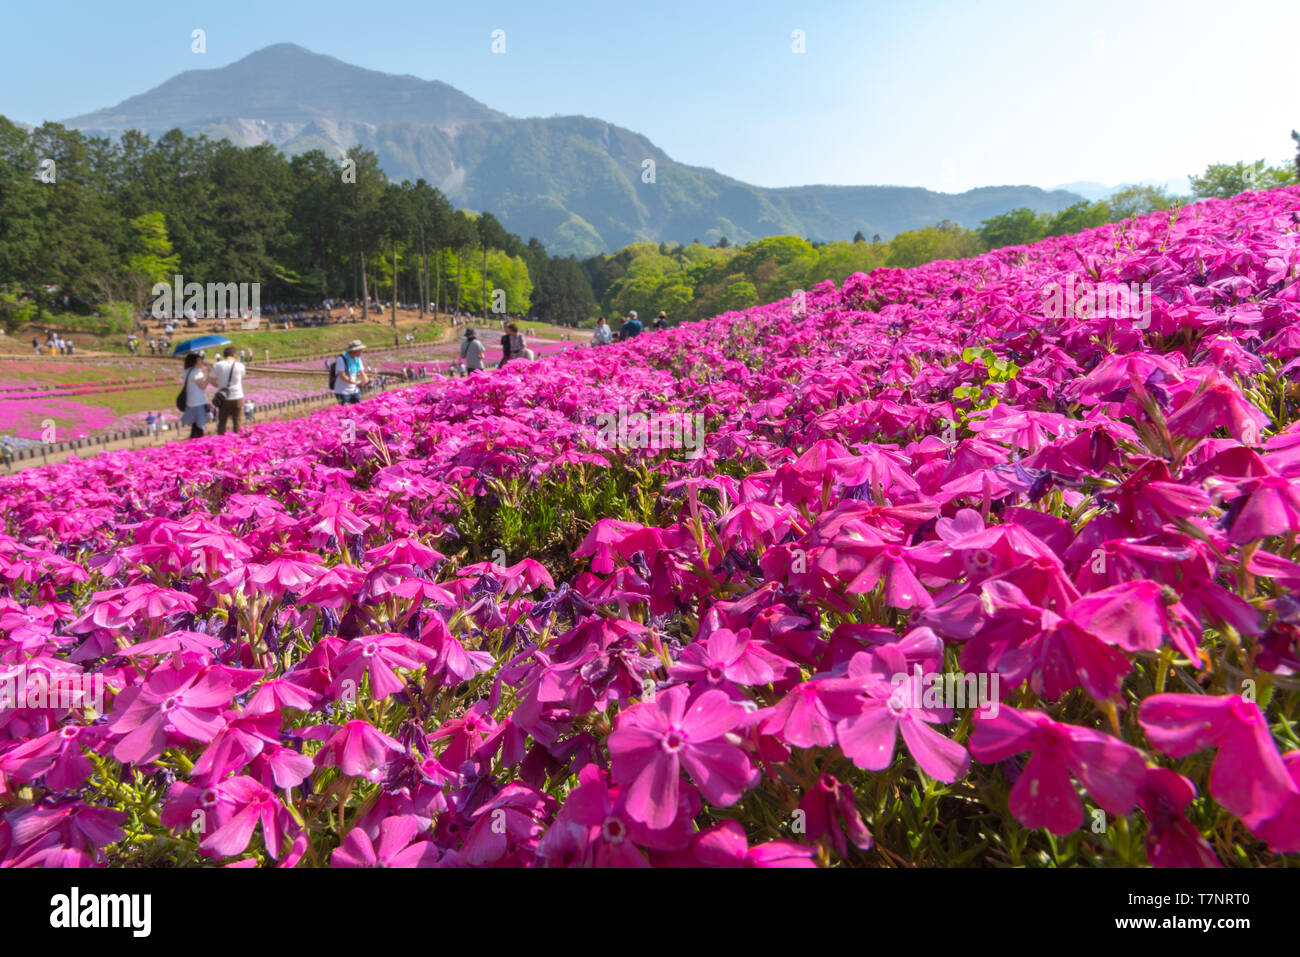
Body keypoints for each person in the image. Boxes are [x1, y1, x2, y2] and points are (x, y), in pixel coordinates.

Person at [210, 346, 246, 435]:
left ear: (224, 355)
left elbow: (211, 379)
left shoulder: (217, 365)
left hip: (223, 397)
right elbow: (242, 377)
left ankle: (221, 440)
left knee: (222, 422)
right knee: (237, 421)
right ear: (234, 354)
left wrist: (219, 385)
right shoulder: (240, 365)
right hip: (237, 396)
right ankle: (238, 439)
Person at [180, 352, 211, 439]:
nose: (201, 362)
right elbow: (203, 386)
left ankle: (193, 444)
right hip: (198, 401)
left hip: (190, 402)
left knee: (195, 426)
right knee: (199, 427)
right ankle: (199, 446)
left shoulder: (186, 372)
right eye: (200, 360)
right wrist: (209, 374)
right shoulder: (196, 372)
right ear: (195, 361)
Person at [334, 340, 370, 404]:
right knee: (345, 411)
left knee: (359, 407)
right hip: (342, 391)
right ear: (354, 351)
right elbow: (343, 376)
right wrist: (356, 383)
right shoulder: (341, 359)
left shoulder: (357, 358)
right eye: (360, 350)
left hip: (354, 390)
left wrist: (366, 380)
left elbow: (362, 372)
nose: (361, 352)